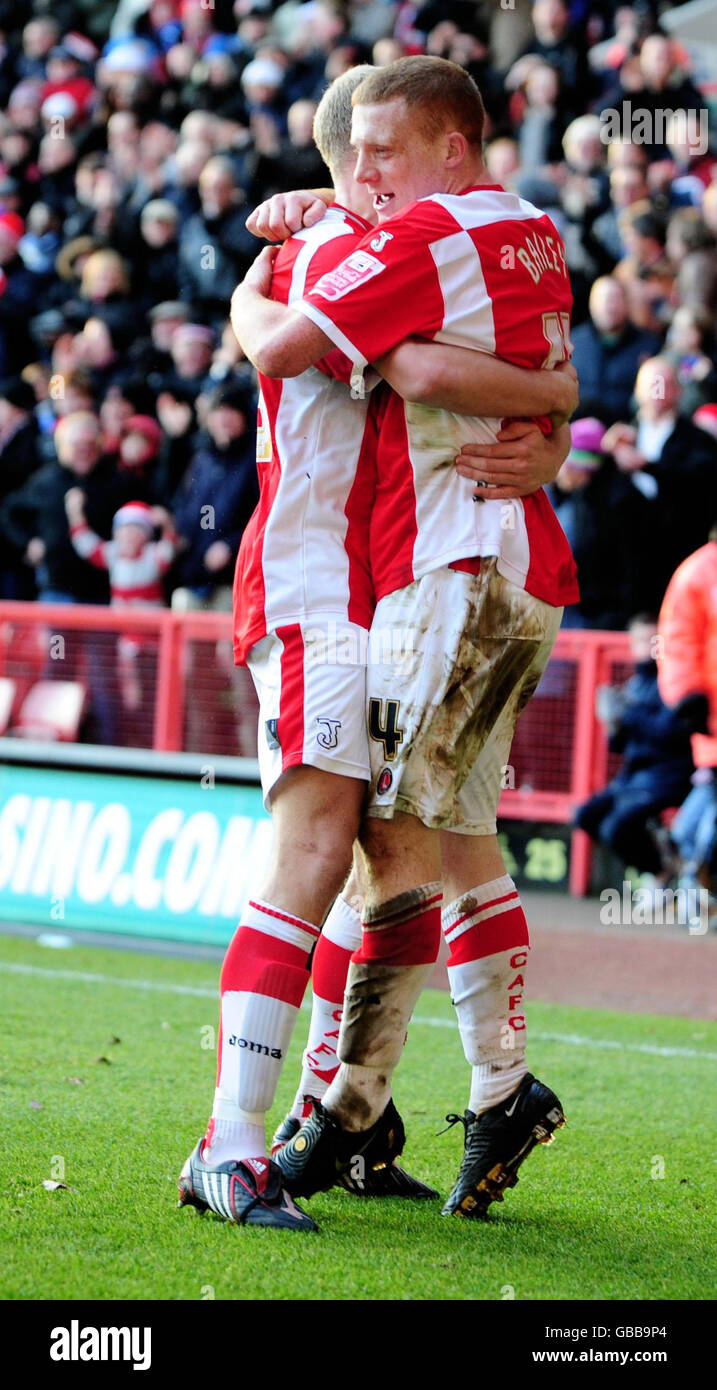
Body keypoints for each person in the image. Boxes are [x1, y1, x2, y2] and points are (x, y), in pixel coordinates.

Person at [178, 62, 577, 1233]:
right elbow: (309, 346)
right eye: (356, 159)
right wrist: (555, 395)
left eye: (382, 155)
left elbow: (398, 359)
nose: (367, 176)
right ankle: (240, 1138)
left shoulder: (407, 245)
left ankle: (345, 1114)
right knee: (339, 846)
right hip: (315, 591)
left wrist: (550, 411)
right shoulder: (343, 252)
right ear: (334, 166)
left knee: (399, 852)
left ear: (433, 152)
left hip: (400, 585)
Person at [574, 614, 694, 875]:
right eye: (640, 639)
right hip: (634, 778)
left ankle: (663, 871)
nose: (646, 646)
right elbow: (617, 746)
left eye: (653, 639)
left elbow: (670, 732)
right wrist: (612, 722)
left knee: (616, 827)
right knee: (586, 815)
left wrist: (627, 712)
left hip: (670, 776)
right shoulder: (635, 684)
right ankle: (661, 862)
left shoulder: (675, 679)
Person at [658, 529, 717, 904]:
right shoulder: (699, 572)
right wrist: (687, 695)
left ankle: (681, 855)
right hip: (710, 707)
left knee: (711, 787)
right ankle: (694, 868)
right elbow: (678, 637)